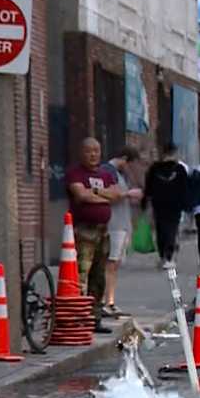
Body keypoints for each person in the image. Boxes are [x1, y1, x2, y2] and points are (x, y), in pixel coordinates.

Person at [65, 137, 123, 333]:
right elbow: (81, 195)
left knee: (99, 277)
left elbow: (117, 195)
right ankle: (79, 318)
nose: (93, 154)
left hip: (103, 231)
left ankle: (94, 318)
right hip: (84, 231)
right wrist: (103, 197)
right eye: (89, 151)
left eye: (96, 151)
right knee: (82, 273)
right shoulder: (75, 173)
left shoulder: (105, 174)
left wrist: (96, 191)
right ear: (82, 152)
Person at [100, 147, 143, 318]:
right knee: (111, 263)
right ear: (124, 159)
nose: (130, 169)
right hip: (114, 224)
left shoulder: (118, 173)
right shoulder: (108, 171)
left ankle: (109, 300)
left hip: (121, 223)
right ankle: (106, 301)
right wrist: (128, 194)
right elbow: (111, 195)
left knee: (115, 264)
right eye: (130, 164)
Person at [144, 143, 192, 269]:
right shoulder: (179, 169)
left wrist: (145, 202)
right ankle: (169, 256)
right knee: (172, 228)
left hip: (159, 203)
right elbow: (185, 188)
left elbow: (148, 187)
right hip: (175, 205)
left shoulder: (154, 168)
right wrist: (187, 205)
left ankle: (162, 256)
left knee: (160, 229)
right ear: (174, 153)